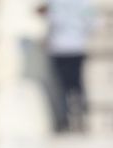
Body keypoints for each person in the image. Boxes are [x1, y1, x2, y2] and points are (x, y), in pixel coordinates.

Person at [40, 0, 98, 132]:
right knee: (76, 84)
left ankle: (66, 120)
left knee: (62, 86)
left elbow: (44, 15)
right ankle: (79, 117)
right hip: (76, 46)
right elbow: (93, 23)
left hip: (59, 47)